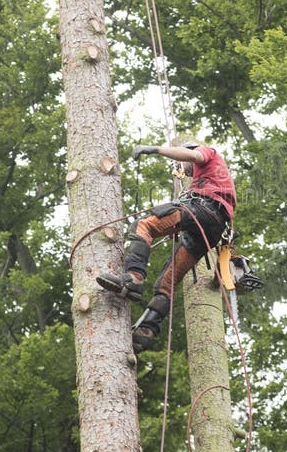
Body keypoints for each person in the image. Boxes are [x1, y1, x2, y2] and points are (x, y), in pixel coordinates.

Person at [96, 142, 236, 353]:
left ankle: (134, 277)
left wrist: (155, 149)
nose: (183, 168)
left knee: (144, 225)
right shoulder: (206, 180)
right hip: (210, 228)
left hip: (204, 211)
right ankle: (145, 331)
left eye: (181, 163)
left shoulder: (208, 153)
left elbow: (194, 156)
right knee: (168, 282)